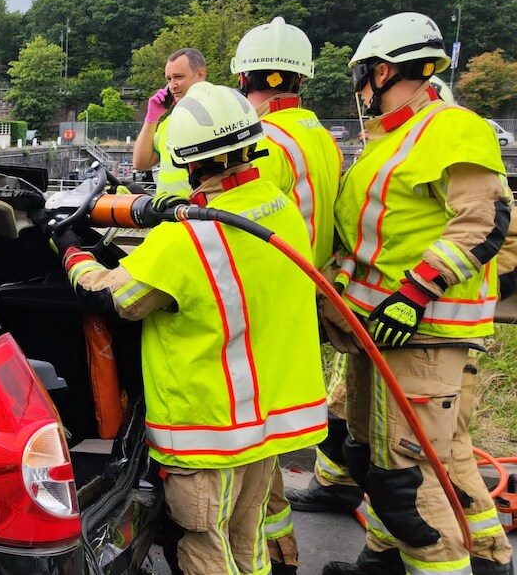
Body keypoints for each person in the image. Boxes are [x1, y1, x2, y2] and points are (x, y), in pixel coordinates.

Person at [52, 82, 328, 575]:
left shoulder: (185, 242)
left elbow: (112, 296)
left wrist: (72, 249)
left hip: (209, 431)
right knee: (247, 541)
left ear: (184, 161)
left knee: (204, 547)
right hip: (264, 426)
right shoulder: (279, 210)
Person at [322, 12, 512, 575]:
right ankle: (383, 561)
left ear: (382, 71)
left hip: (420, 331)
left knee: (408, 479)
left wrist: (414, 293)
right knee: (378, 458)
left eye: (361, 76)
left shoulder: (450, 128)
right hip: (380, 331)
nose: (358, 90)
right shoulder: (394, 139)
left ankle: (440, 565)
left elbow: (481, 223)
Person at [231, 16, 344, 575]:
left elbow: (229, 218)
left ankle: (272, 554)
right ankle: (278, 549)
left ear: (248, 78)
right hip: (310, 300)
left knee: (255, 439)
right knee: (278, 432)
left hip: (269, 304)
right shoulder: (322, 138)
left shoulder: (265, 142)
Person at [132, 48, 206, 198]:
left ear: (200, 74)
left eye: (178, 77)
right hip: (168, 213)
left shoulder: (217, 116)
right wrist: (152, 118)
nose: (172, 85)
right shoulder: (169, 123)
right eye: (169, 79)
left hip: (200, 214)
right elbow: (140, 163)